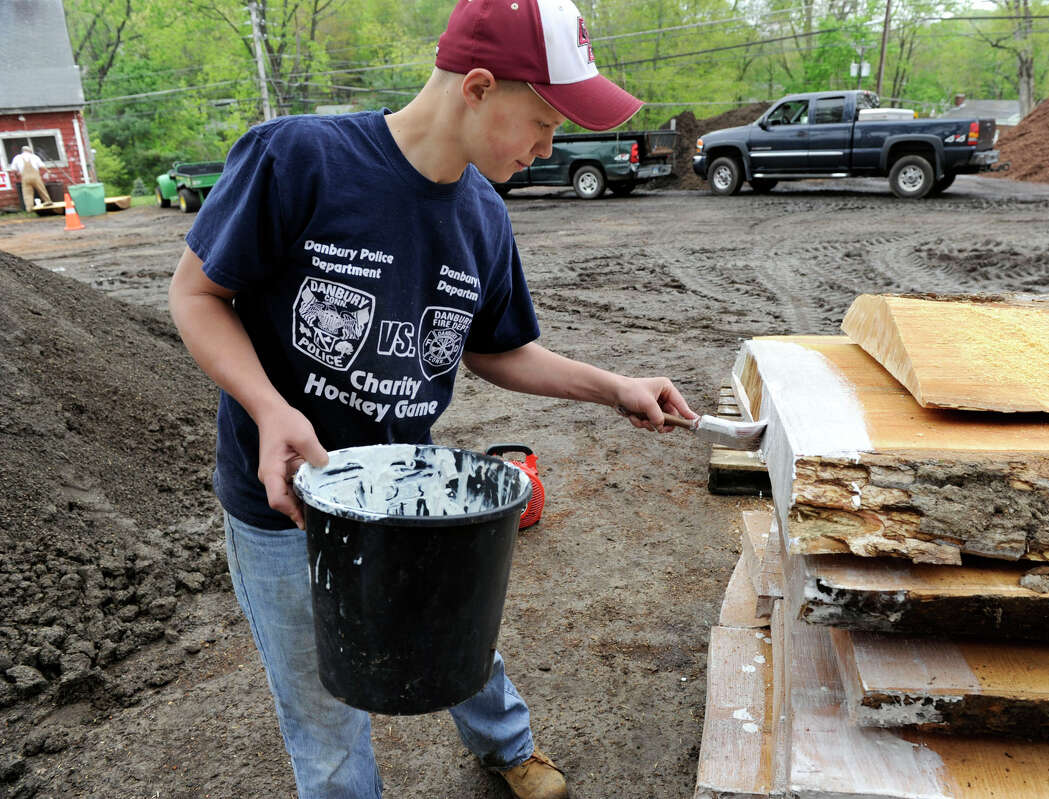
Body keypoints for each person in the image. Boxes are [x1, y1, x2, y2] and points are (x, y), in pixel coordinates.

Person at [167, 1, 696, 797]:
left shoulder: (483, 216)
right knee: (324, 712)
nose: (548, 148)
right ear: (477, 87)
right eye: (544, 123)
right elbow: (195, 294)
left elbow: (495, 347)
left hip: (408, 490)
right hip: (284, 502)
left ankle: (507, 745)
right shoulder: (300, 159)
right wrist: (270, 408)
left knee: (455, 627)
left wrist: (615, 387)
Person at [9, 145, 53, 211]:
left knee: (27, 193)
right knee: (42, 189)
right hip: (35, 177)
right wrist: (47, 170)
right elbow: (41, 166)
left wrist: (16, 175)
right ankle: (48, 201)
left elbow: (13, 169)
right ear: (30, 151)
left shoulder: (17, 157)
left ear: (22, 151)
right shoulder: (34, 157)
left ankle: (29, 208)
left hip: (25, 178)